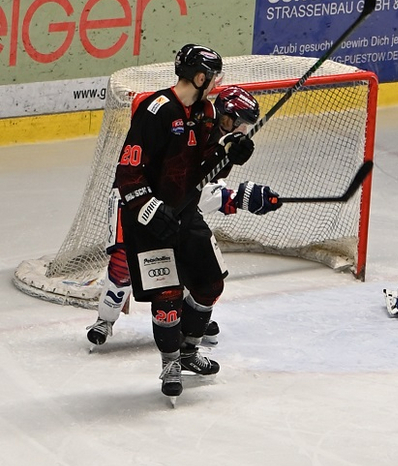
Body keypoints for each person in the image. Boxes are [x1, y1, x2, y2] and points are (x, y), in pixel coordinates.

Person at [114, 47, 281, 398]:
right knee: (168, 295)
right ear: (200, 77)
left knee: (210, 284)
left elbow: (205, 166)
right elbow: (128, 172)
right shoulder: (155, 110)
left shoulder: (206, 111)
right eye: (214, 76)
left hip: (186, 214)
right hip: (148, 220)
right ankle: (170, 361)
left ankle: (189, 351)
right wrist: (149, 209)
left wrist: (227, 154)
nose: (217, 83)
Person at [85, 84, 267, 350]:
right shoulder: (191, 120)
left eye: (243, 126)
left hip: (171, 204)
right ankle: (105, 318)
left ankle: (184, 318)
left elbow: (192, 188)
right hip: (134, 197)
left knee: (184, 260)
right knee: (124, 262)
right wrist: (233, 197)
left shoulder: (215, 135)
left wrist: (227, 172)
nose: (238, 130)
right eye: (236, 122)